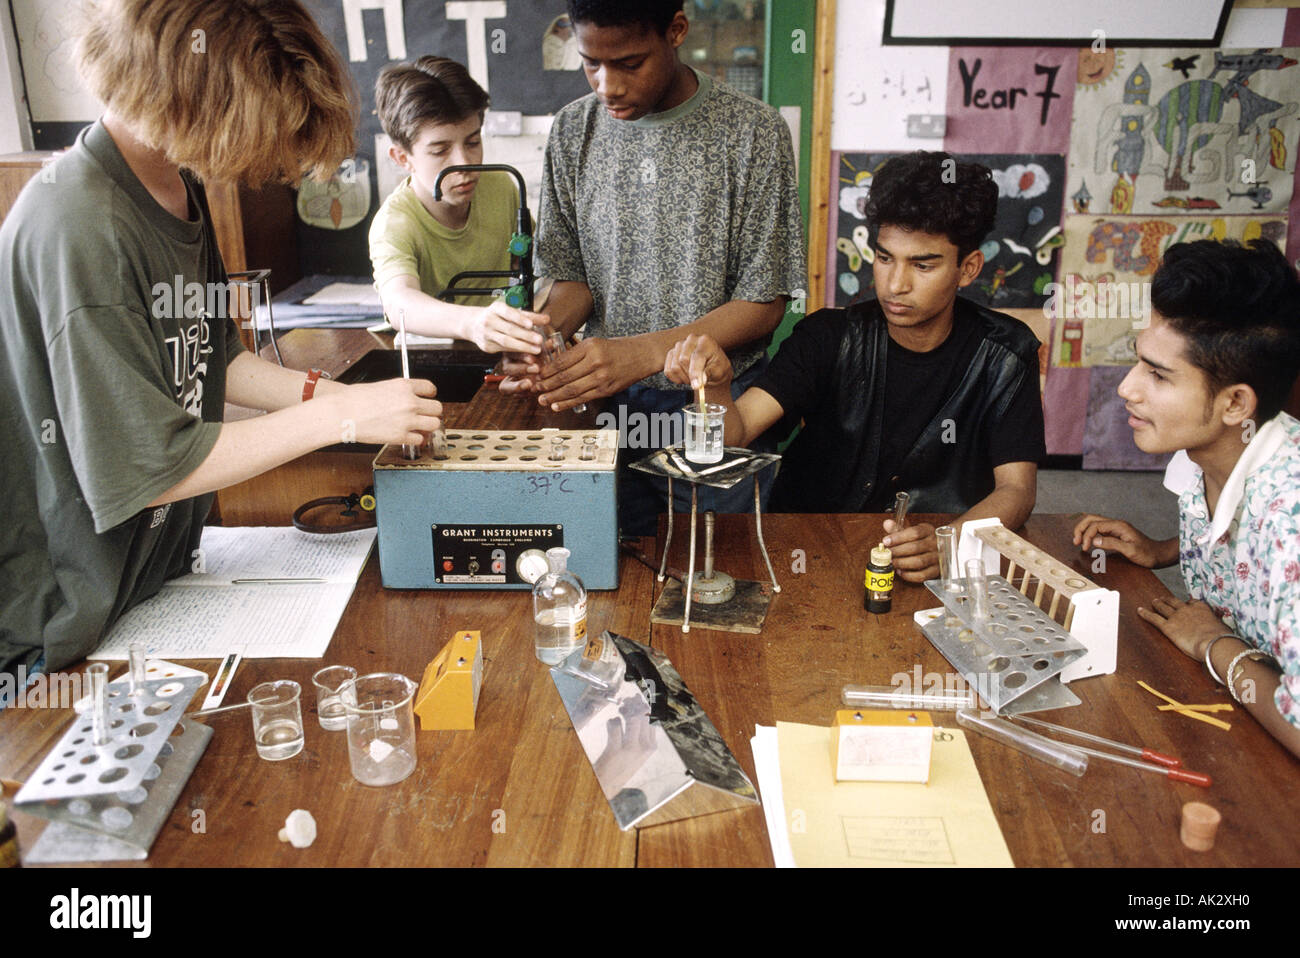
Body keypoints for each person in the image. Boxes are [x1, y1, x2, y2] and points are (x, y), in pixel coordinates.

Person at [0, 0, 442, 686]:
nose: (260, 169)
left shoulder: (176, 187)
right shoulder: (80, 224)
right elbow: (152, 469)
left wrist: (327, 393)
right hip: (57, 627)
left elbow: (217, 355)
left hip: (145, 582)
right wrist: (341, 417)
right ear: (200, 100)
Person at [664, 152, 1044, 582]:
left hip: (926, 557)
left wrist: (952, 541)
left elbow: (1017, 489)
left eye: (923, 265)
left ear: (968, 268)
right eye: (885, 258)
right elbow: (736, 432)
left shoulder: (1006, 354)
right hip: (809, 546)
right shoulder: (828, 337)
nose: (896, 284)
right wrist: (717, 387)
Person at [507, 0, 805, 534]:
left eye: (628, 63)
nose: (607, 85)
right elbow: (575, 278)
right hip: (608, 407)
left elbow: (764, 303)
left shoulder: (753, 133)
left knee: (712, 576)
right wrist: (544, 336)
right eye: (590, 62)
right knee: (614, 565)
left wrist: (642, 353)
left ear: (676, 31)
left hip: (716, 409)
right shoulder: (573, 131)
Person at [1073, 239, 1300, 758]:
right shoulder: (1215, 452)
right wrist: (1164, 550)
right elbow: (1249, 542)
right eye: (1139, 364)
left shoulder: (1292, 523)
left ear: (1235, 403)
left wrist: (1212, 644)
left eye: (1158, 375)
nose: (1127, 388)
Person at [370, 56, 546, 355]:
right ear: (402, 158)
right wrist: (474, 323)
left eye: (473, 142)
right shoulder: (395, 223)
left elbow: (534, 268)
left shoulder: (502, 187)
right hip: (432, 357)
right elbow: (399, 301)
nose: (465, 164)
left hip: (499, 350)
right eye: (440, 150)